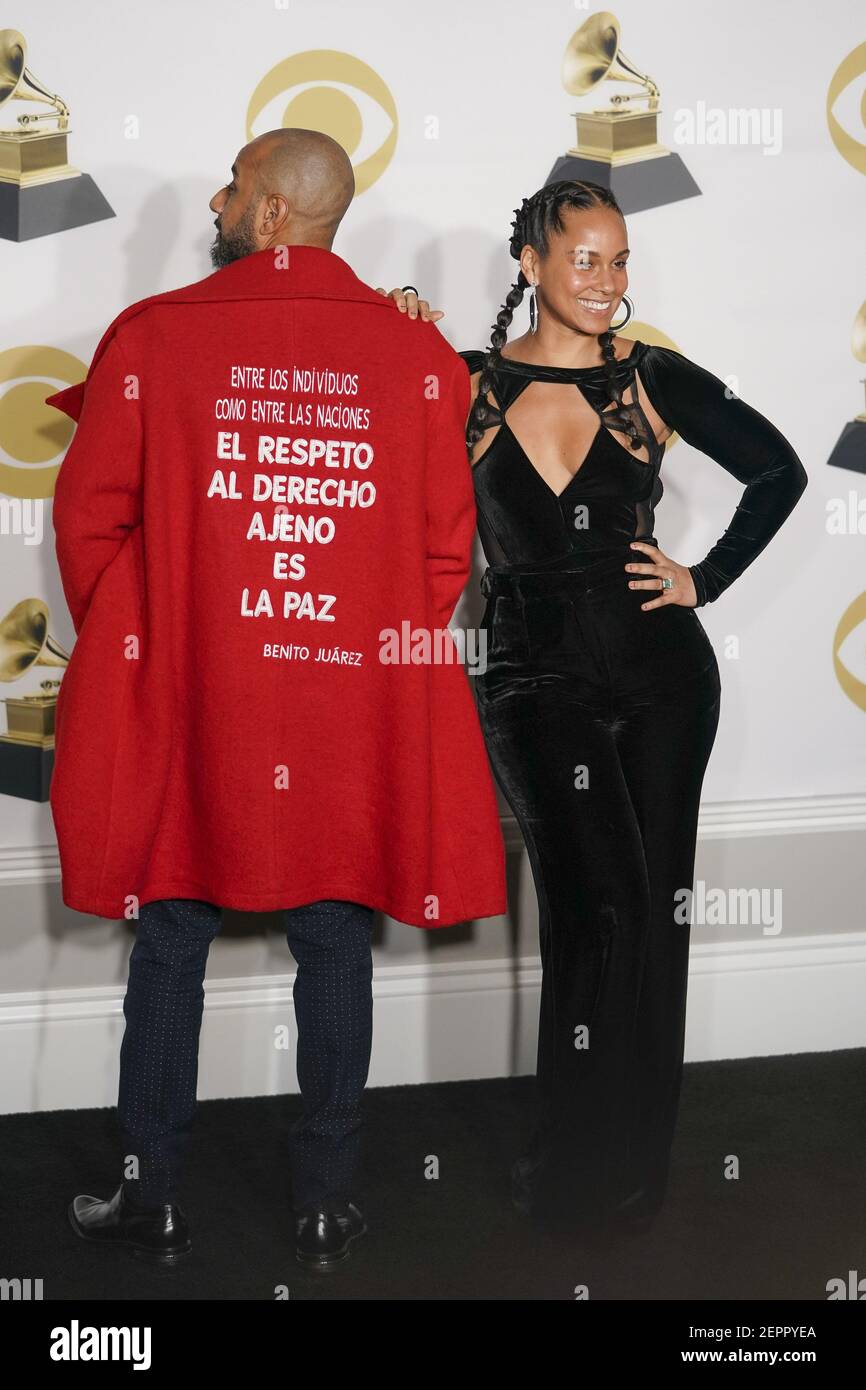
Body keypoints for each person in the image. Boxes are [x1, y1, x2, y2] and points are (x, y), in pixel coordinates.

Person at [45, 128, 506, 1271]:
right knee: (335, 939)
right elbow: (441, 556)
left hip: (195, 700)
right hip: (345, 704)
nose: (212, 195)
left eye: (231, 184)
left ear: (264, 215)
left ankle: (150, 1196)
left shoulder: (155, 338)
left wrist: (164, 632)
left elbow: (89, 522)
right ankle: (322, 1202)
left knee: (171, 939)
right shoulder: (413, 359)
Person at [379, 178, 807, 1233]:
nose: (606, 282)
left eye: (619, 262)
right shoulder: (462, 381)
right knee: (594, 914)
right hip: (533, 677)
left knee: (653, 918)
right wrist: (389, 325)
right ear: (530, 264)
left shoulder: (649, 376)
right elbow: (357, 411)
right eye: (584, 260)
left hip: (663, 677)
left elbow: (778, 469)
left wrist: (702, 578)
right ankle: (569, 1163)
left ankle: (632, 1173)